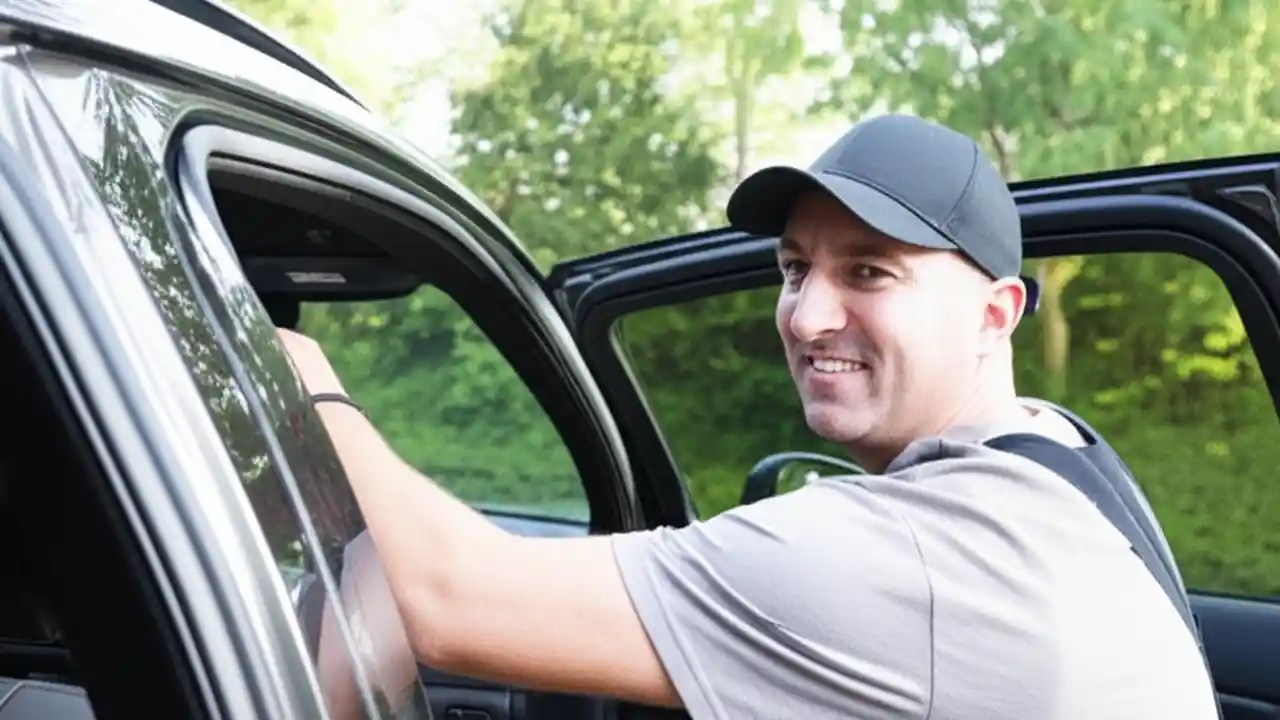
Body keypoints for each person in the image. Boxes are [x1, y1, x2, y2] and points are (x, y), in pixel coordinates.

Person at [277, 113, 1219, 719]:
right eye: (795, 269)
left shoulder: (909, 560)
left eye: (868, 271)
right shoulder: (1056, 458)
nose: (807, 316)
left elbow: (443, 598)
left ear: (994, 314)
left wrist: (296, 372)